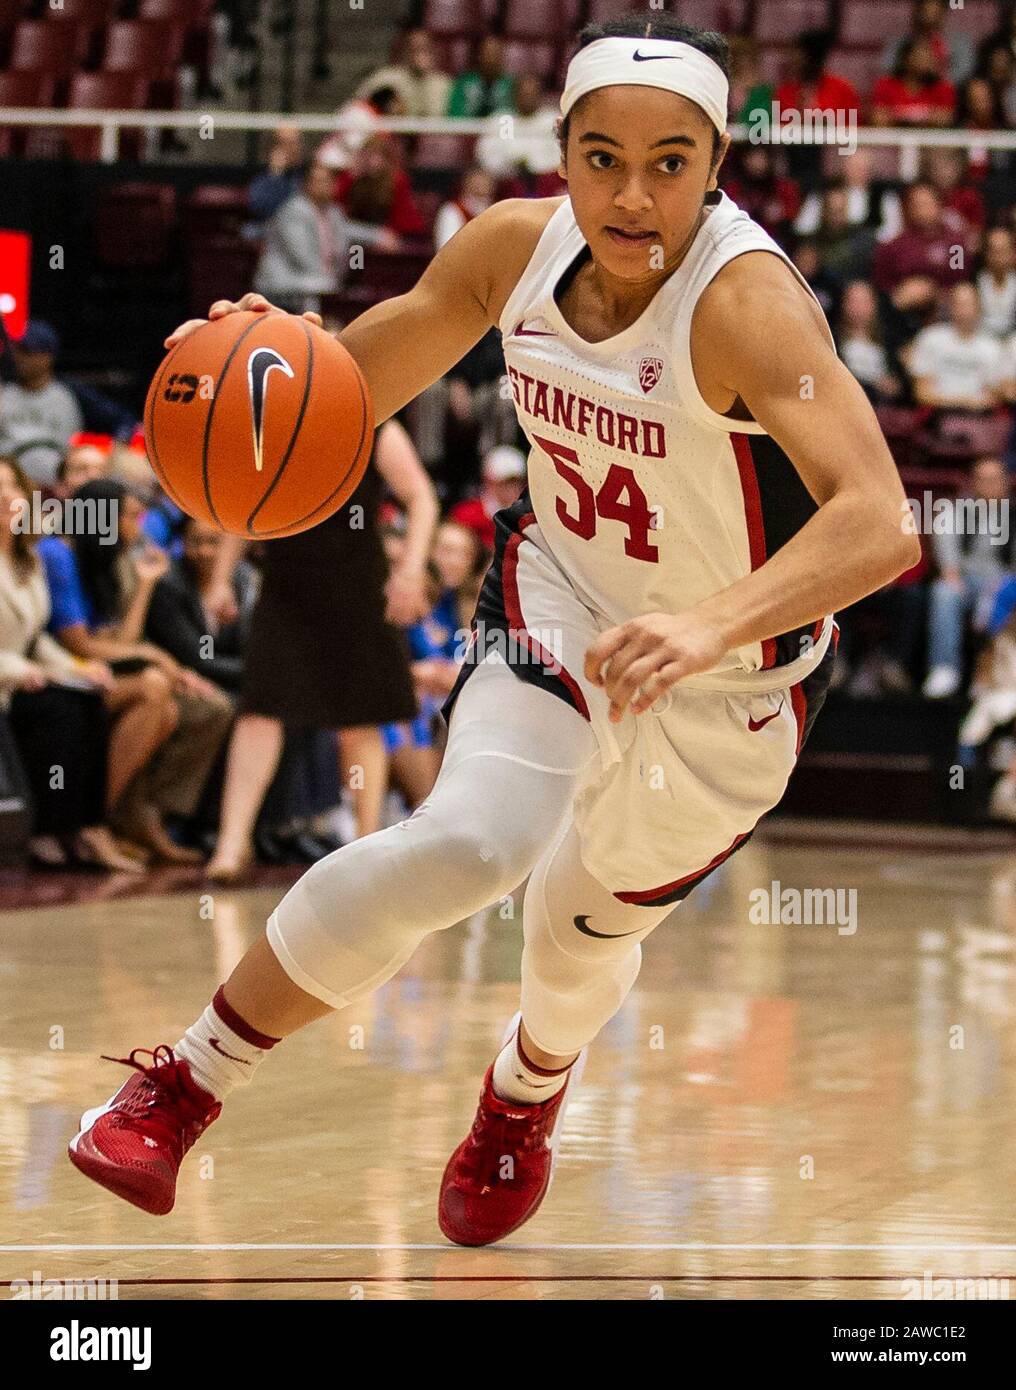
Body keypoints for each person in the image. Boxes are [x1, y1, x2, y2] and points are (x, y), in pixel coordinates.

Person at [69, 15, 919, 1245]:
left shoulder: (744, 306)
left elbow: (881, 522)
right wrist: (260, 366)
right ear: (561, 153)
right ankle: (185, 1079)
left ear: (715, 165)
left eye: (670, 161)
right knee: (470, 843)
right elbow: (344, 397)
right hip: (560, 598)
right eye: (602, 156)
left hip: (735, 675)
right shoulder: (510, 248)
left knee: (577, 927)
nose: (633, 193)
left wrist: (703, 622)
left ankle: (522, 1092)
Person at [204, 418, 438, 881]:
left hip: (358, 582)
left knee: (360, 717)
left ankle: (365, 840)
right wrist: (220, 578)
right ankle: (233, 843)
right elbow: (241, 507)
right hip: (286, 584)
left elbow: (421, 497)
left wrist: (411, 570)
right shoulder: (267, 429)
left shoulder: (373, 426)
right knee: (259, 710)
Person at [40, 479, 232, 863]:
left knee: (181, 707)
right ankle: (94, 822)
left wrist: (144, 585)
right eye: (130, 516)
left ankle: (130, 816)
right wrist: (153, 656)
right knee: (152, 689)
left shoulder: (109, 560)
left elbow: (120, 640)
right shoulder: (57, 553)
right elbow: (78, 644)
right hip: (55, 673)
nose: (138, 527)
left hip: (92, 673)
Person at [0, 457, 138, 872]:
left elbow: (36, 635)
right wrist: (20, 671)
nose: (8, 498)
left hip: (26, 677)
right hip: (10, 680)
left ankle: (86, 826)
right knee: (58, 712)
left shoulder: (28, 558)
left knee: (89, 699)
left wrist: (77, 667)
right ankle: (44, 829)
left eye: (14, 488)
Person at [923, 456, 1014, 698]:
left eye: (994, 480)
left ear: (1006, 483)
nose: (988, 485)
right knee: (943, 592)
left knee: (1003, 600)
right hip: (964, 581)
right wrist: (952, 576)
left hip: (1002, 584)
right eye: (982, 479)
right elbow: (947, 557)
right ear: (972, 483)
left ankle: (991, 676)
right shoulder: (954, 510)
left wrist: (1002, 589)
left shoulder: (1013, 515)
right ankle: (945, 668)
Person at [253, 161, 393, 315]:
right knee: (316, 292)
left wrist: (379, 236)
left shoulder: (333, 212)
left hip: (321, 283)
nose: (327, 185)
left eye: (329, 181)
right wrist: (334, 283)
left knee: (357, 259)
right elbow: (304, 259)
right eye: (320, 181)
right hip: (288, 283)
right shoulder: (293, 212)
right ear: (306, 185)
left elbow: (349, 230)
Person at [0, 321, 83, 486]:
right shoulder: (3, 394)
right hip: (8, 480)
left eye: (28, 352)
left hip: (55, 481)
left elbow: (71, 446)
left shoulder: (64, 397)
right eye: (17, 350)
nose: (19, 358)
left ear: (47, 357)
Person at [906, 281, 1006, 413]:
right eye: (959, 304)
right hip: (937, 415)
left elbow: (995, 396)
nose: (963, 310)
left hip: (979, 417)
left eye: (968, 304)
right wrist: (963, 402)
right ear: (950, 306)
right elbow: (921, 392)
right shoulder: (930, 337)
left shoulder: (993, 346)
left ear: (979, 307)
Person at [334, 133, 427, 239]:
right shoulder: (353, 177)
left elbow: (401, 217)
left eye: (375, 156)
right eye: (366, 156)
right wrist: (351, 176)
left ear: (385, 159)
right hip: (364, 234)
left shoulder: (397, 180)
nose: (370, 161)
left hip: (401, 234)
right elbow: (336, 207)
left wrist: (387, 236)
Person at [476, 75, 562, 186]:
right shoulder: (502, 120)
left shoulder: (551, 120)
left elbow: (560, 156)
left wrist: (532, 165)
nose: (527, 98)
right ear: (514, 95)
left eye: (532, 94)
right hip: (506, 183)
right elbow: (486, 155)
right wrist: (512, 166)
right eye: (524, 94)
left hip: (545, 183)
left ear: (540, 96)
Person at [355, 27, 451, 119]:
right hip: (391, 133)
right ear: (405, 52)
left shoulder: (444, 83)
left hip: (434, 134)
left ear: (433, 52)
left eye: (425, 49)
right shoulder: (385, 78)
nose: (419, 55)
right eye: (414, 49)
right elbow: (358, 110)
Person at [449, 444, 527, 552]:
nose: (511, 488)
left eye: (516, 482)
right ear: (488, 481)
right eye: (505, 483)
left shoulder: (530, 518)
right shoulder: (466, 515)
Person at [835, 279, 902, 405]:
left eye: (864, 301)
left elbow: (900, 382)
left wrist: (895, 385)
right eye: (853, 301)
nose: (858, 307)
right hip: (848, 403)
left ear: (874, 304)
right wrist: (873, 385)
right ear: (843, 304)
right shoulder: (832, 339)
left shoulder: (889, 339)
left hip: (884, 406)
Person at [881, 0, 976, 86]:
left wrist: (936, 84)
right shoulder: (900, 43)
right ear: (917, 11)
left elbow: (965, 73)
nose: (930, 14)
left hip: (950, 96)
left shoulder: (960, 43)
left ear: (943, 12)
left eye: (935, 9)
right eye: (925, 9)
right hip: (909, 98)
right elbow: (887, 69)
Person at [871, 35, 957, 128]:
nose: (929, 60)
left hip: (930, 140)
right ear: (906, 59)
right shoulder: (886, 85)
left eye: (931, 56)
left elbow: (944, 119)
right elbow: (878, 119)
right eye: (922, 55)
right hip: (894, 140)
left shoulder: (943, 87)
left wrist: (900, 118)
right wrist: (924, 119)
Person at [246, 124, 305, 230]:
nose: (294, 148)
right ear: (274, 148)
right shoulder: (262, 182)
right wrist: (276, 175)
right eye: (287, 143)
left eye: (297, 142)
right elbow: (262, 211)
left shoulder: (310, 177)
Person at [447, 35, 515, 118]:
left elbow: (515, 117)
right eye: (488, 53)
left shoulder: (511, 85)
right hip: (469, 129)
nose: (491, 59)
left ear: (502, 57)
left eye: (495, 54)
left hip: (498, 129)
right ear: (480, 56)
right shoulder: (464, 83)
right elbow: (454, 114)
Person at [433, 166, 496, 251]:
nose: (481, 185)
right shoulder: (452, 210)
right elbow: (446, 248)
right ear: (466, 183)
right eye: (477, 181)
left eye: (485, 180)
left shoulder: (497, 211)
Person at [978, 225, 1016, 338]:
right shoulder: (974, 282)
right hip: (981, 340)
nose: (998, 256)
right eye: (994, 251)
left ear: (1013, 253)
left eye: (1003, 250)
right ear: (986, 254)